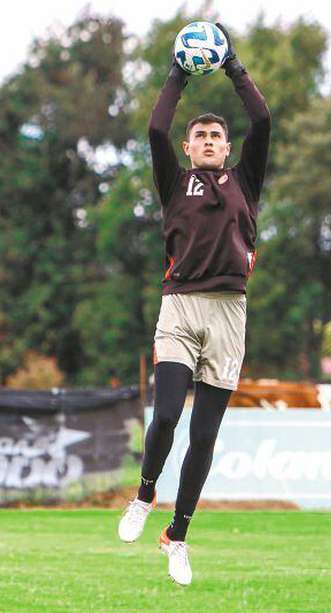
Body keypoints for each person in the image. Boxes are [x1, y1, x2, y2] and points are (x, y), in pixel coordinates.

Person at [117, 23, 270, 587]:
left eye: (215, 136)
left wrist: (233, 66)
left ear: (227, 148)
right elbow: (156, 125)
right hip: (180, 308)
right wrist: (179, 72)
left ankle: (176, 536)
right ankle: (144, 495)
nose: (208, 140)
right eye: (200, 135)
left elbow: (263, 120)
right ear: (188, 147)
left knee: (204, 436)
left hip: (229, 314)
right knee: (165, 416)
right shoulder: (174, 182)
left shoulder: (245, 182)